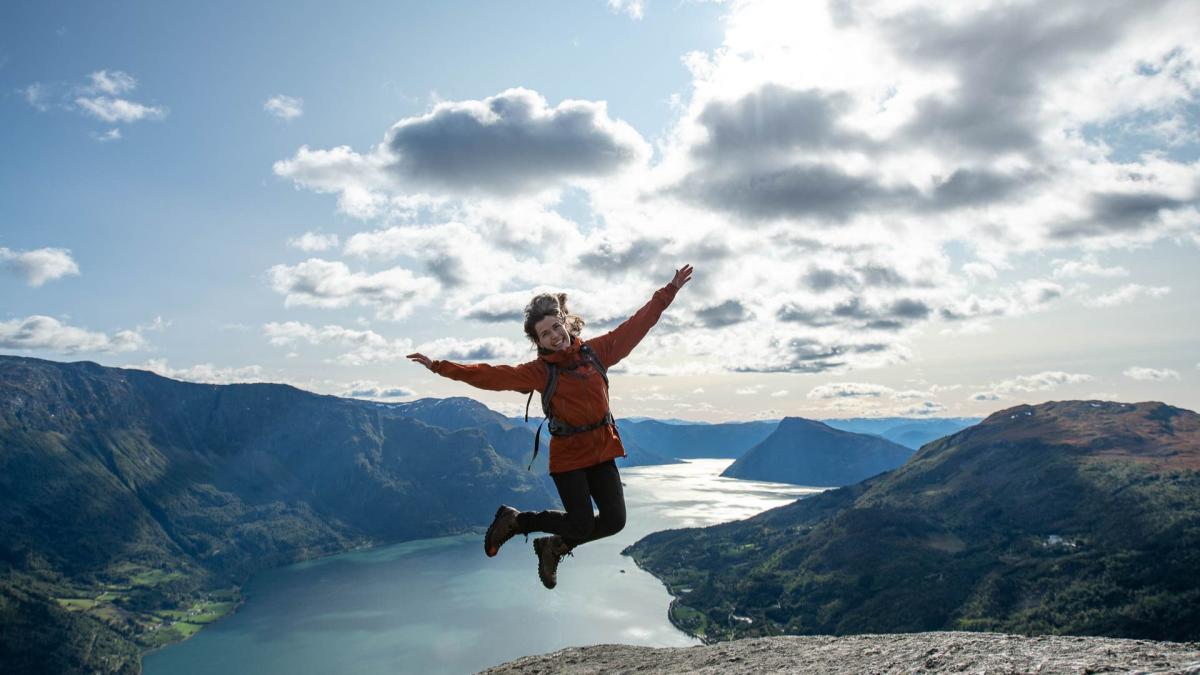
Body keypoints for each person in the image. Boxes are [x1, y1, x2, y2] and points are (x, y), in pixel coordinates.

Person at [407, 265, 693, 589]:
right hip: (569, 457)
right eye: (546, 334)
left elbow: (638, 325)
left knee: (615, 521)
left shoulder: (598, 351)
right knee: (582, 523)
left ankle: (553, 545)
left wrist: (668, 291)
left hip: (601, 449)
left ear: (565, 321)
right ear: (538, 341)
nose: (556, 336)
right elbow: (491, 375)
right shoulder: (539, 372)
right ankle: (517, 521)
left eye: (557, 327)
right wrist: (440, 367)